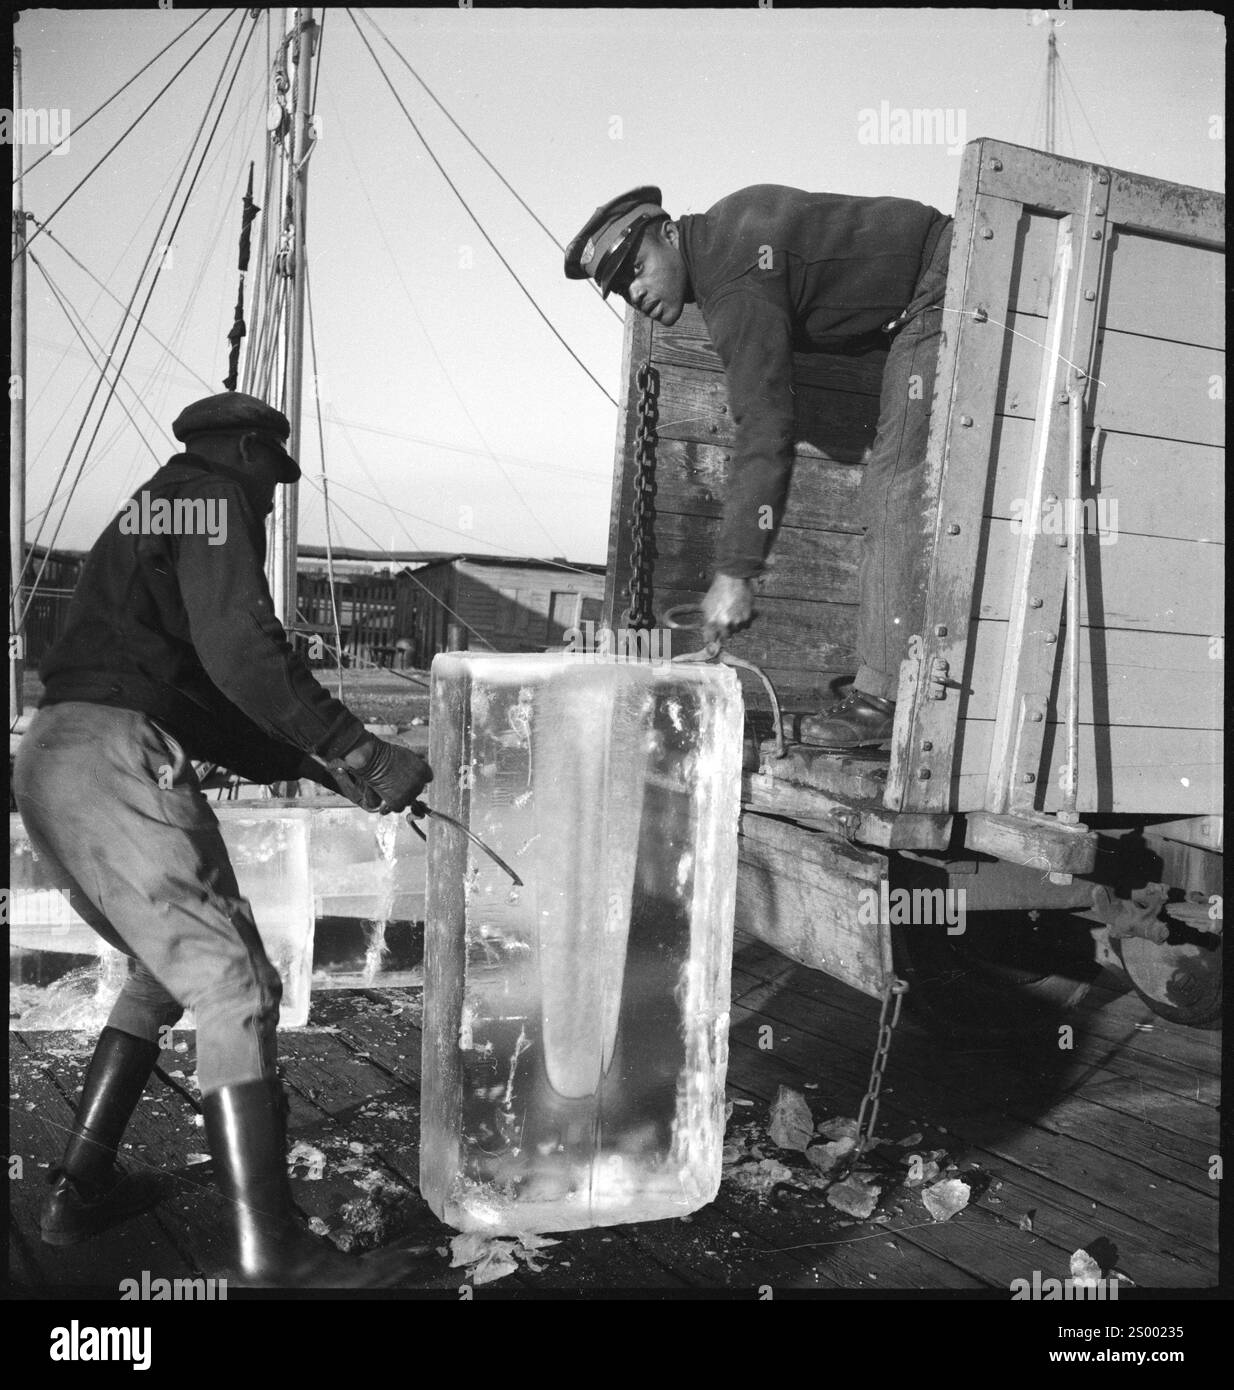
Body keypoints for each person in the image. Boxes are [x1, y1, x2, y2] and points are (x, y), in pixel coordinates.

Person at [13, 392, 432, 1288]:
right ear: (245, 450)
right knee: (235, 984)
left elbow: (203, 697)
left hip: (52, 757)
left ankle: (79, 1189)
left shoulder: (147, 510)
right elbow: (246, 650)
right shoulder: (216, 497)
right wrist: (360, 745)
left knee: (165, 965)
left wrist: (335, 771)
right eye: (273, 479)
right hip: (117, 760)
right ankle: (273, 1255)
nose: (273, 502)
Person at [565, 183, 953, 749]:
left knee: (892, 485)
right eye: (621, 286)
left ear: (669, 233)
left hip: (941, 288)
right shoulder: (726, 239)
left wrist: (736, 571)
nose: (635, 292)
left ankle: (885, 701)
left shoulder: (735, 279)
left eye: (638, 268)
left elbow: (767, 429)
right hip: (917, 292)